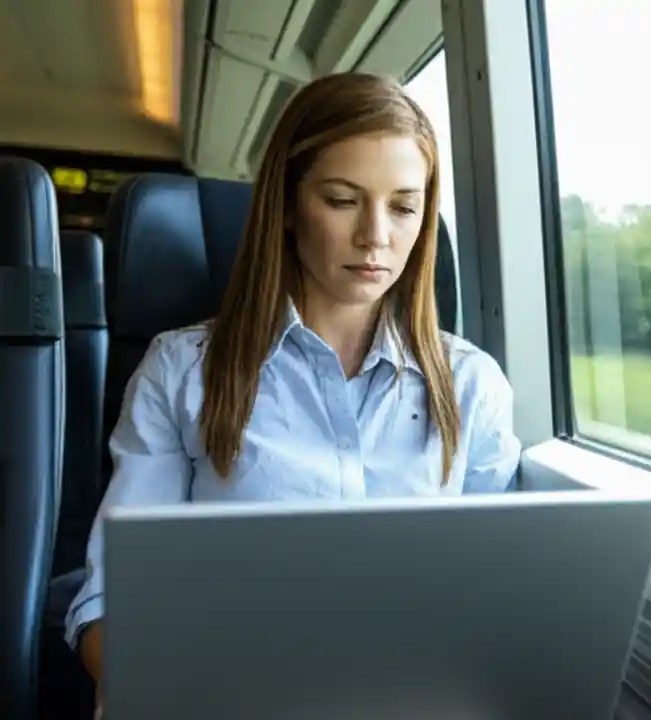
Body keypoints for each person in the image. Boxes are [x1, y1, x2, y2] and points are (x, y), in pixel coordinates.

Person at [63, 72, 521, 715]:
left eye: (403, 206)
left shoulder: (471, 385)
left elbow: (494, 596)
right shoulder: (181, 371)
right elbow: (113, 601)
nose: (376, 236)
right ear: (285, 204)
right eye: (341, 200)